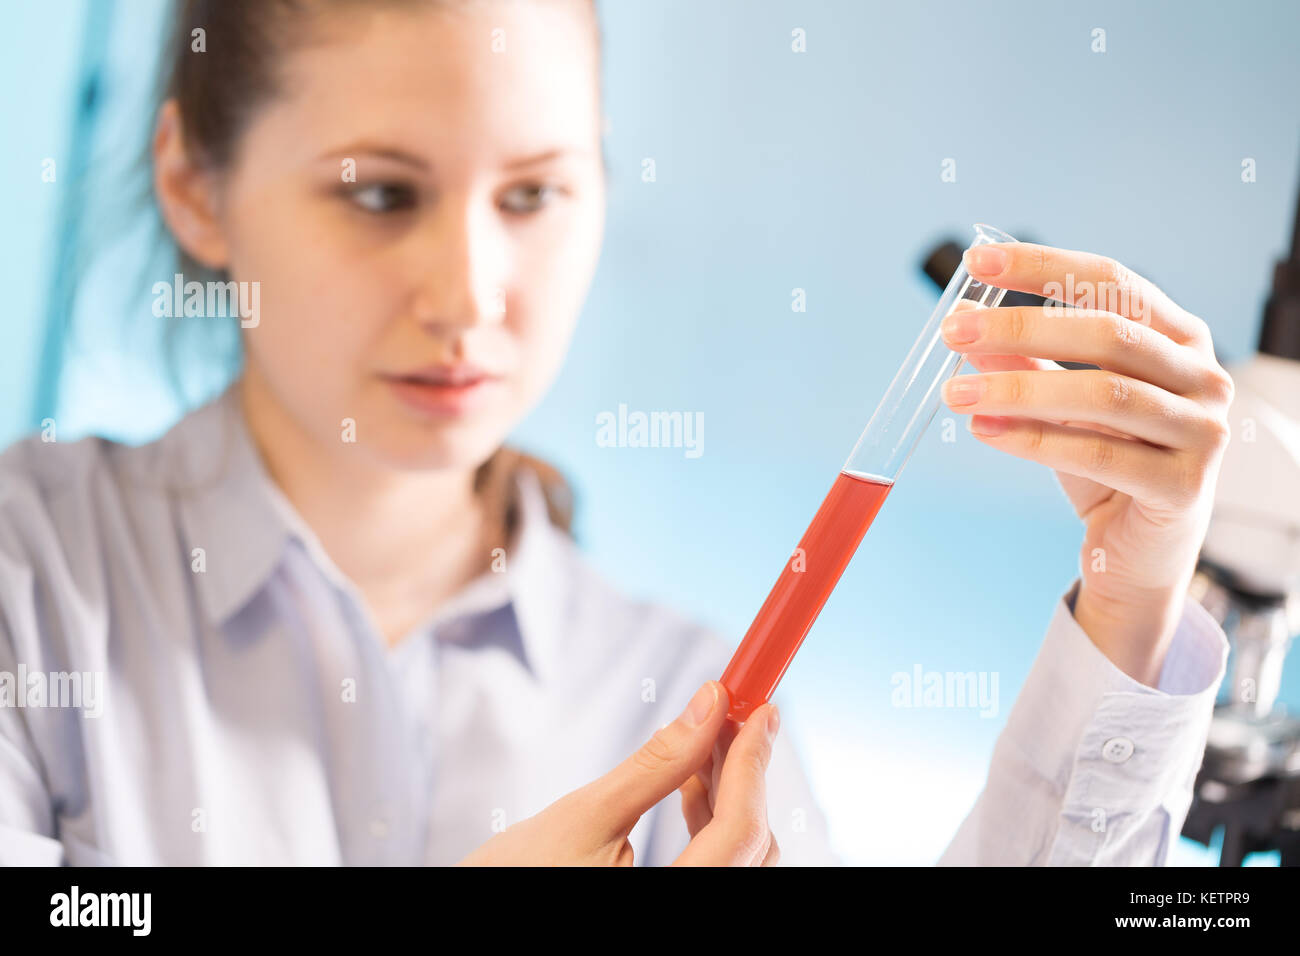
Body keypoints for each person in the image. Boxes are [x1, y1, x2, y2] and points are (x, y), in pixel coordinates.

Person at [0, 0, 1234, 866]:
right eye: (381, 192)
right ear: (192, 187)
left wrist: (1127, 612)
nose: (471, 294)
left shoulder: (693, 706)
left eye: (532, 194)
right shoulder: (35, 578)